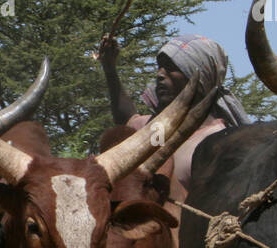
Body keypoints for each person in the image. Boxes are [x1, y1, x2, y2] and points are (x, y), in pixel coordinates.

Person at [98, 32, 248, 191]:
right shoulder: (154, 129)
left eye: (171, 67)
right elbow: (126, 119)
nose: (160, 74)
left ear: (200, 78)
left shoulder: (218, 141)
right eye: (160, 67)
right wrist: (109, 68)